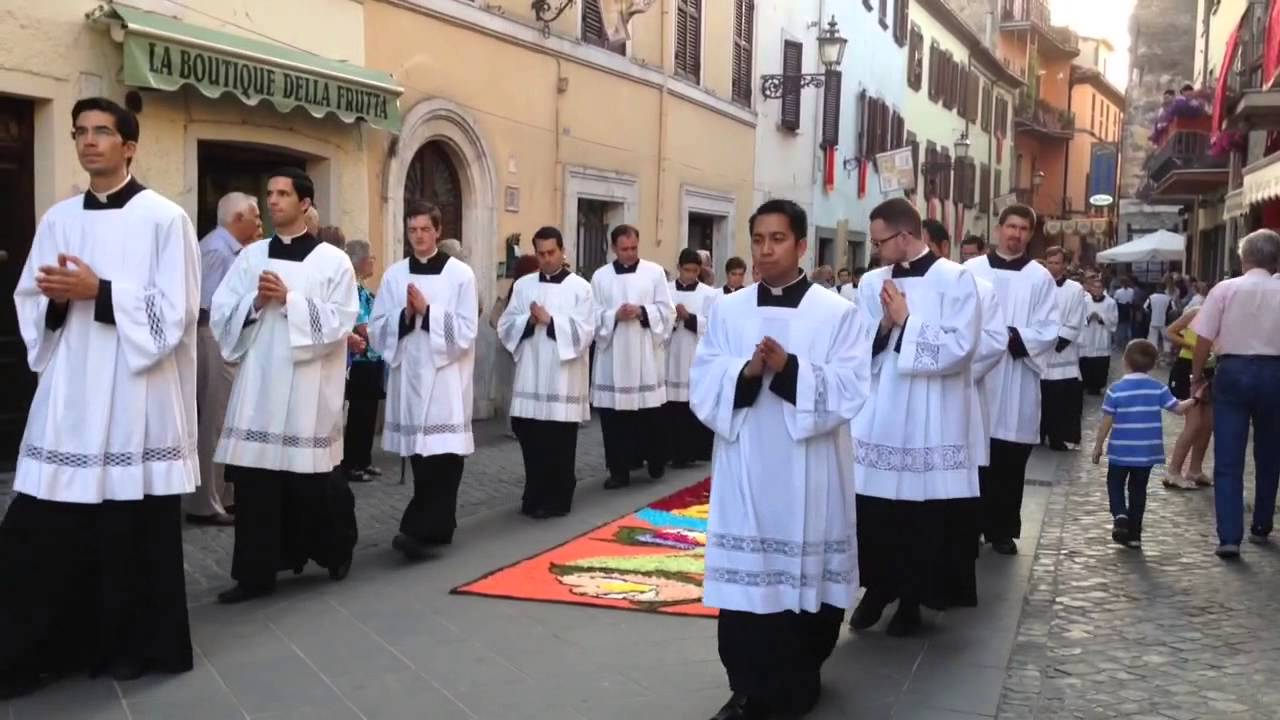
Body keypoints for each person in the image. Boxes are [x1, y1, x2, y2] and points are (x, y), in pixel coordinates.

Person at [0, 96, 198, 697]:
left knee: (129, 528)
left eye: (103, 132)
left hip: (136, 395)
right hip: (72, 394)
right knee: (43, 523)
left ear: (129, 147)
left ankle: (131, 645)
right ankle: (40, 648)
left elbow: (179, 314)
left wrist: (100, 291)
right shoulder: (59, 218)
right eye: (80, 132)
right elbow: (31, 300)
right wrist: (60, 299)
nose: (89, 141)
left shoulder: (166, 219)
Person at [691, 199, 870, 720]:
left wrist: (790, 368)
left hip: (809, 471)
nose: (766, 250)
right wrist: (745, 374)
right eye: (758, 240)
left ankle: (800, 677)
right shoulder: (728, 309)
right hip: (746, 465)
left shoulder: (837, 313)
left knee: (803, 583)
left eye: (777, 239)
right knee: (747, 590)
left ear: (800, 245)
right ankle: (745, 687)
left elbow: (851, 387)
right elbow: (704, 381)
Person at [210, 167, 359, 603]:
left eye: (282, 194)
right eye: (269, 193)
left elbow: (340, 321)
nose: (272, 201)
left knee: (312, 483)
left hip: (308, 388)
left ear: (305, 203)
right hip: (259, 386)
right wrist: (256, 301)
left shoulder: (333, 261)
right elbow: (222, 313)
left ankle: (335, 551)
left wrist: (290, 300)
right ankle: (255, 575)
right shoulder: (252, 257)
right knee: (256, 486)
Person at [849, 199, 985, 637]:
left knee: (921, 514)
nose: (874, 250)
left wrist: (907, 321)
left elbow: (962, 347)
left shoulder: (956, 279)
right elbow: (855, 343)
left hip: (932, 409)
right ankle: (877, 587)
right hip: (883, 405)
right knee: (874, 505)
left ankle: (911, 599)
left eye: (879, 241)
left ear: (904, 236)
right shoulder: (872, 282)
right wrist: (885, 328)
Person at [370, 202, 478, 557]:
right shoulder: (394, 275)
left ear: (437, 231)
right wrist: (405, 314)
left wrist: (428, 312)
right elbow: (378, 327)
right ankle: (438, 527)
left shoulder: (460, 274)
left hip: (446, 378)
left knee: (443, 457)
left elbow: (465, 331)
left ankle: (421, 529)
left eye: (424, 229)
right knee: (420, 454)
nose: (418, 236)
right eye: (412, 230)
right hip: (410, 376)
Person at [964, 205, 1059, 555]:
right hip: (977, 377)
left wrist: (1006, 337)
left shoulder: (1040, 278)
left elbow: (1049, 329)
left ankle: (1002, 529)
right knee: (974, 454)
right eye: (1011, 226)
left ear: (1030, 234)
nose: (1016, 234)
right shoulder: (970, 270)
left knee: (1009, 459)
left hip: (1016, 378)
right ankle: (970, 525)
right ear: (999, 227)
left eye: (1023, 229)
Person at [1190, 229, 1280, 558]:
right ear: (1275, 259)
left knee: (1229, 456)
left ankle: (1229, 536)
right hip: (1275, 373)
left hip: (1233, 370)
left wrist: (1196, 375)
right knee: (1270, 453)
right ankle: (1261, 524)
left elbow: (1202, 337)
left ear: (1243, 258)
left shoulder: (1225, 289)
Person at [496, 227, 595, 518]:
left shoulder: (581, 288)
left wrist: (550, 322)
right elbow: (505, 324)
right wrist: (528, 321)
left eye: (551, 253)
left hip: (562, 379)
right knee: (531, 438)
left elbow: (585, 331)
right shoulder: (524, 285)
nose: (546, 259)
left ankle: (558, 498)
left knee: (558, 443)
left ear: (563, 251)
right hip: (530, 375)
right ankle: (534, 492)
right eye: (540, 253)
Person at [188, 191, 261, 526]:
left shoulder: (230, 248)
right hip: (214, 339)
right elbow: (208, 304)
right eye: (255, 215)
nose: (261, 222)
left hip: (224, 340)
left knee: (227, 421)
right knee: (214, 423)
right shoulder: (217, 250)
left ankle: (224, 494)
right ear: (237, 219)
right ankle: (206, 502)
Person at [1092, 340, 1198, 549]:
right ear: (1152, 364)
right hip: (1146, 453)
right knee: (1138, 490)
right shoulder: (1158, 388)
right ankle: (1134, 536)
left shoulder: (1116, 390)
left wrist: (1098, 446)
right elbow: (1177, 408)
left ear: (1125, 362)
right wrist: (1194, 399)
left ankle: (1120, 515)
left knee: (1115, 484)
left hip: (1121, 452)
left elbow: (1107, 421)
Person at [590, 224, 673, 489]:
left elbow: (667, 311)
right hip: (612, 357)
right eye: (624, 249)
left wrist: (642, 312)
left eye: (634, 248)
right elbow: (590, 315)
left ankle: (656, 462)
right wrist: (613, 315)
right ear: (613, 248)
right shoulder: (600, 277)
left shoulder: (654, 272)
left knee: (650, 416)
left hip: (645, 355)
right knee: (614, 421)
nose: (629, 253)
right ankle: (618, 471)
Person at [665, 248, 717, 467]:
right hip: (670, 354)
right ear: (679, 268)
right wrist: (673, 318)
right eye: (686, 270)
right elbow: (658, 318)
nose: (690, 275)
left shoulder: (709, 293)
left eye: (695, 271)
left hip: (694, 354)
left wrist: (690, 318)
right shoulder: (666, 290)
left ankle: (690, 452)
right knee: (670, 408)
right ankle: (669, 451)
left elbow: (713, 325)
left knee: (690, 405)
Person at [339, 240, 384, 483]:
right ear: (361, 260)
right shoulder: (353, 290)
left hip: (373, 358)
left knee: (369, 413)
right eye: (371, 257)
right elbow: (362, 326)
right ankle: (352, 463)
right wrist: (384, 335)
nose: (373, 261)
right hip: (361, 360)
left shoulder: (363, 287)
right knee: (359, 413)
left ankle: (364, 459)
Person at [1039, 247, 1087, 451]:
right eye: (1049, 262)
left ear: (1065, 265)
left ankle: (1059, 437)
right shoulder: (1037, 285)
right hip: (1039, 351)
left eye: (1057, 263)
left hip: (1062, 354)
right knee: (1040, 400)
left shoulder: (1075, 289)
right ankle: (1038, 435)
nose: (1052, 267)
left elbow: (1076, 319)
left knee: (1061, 402)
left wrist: (1058, 341)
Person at [1163, 306, 1214, 490]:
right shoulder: (1197, 312)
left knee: (1207, 424)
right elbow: (1170, 331)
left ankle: (1195, 469)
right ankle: (1173, 471)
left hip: (1211, 368)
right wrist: (1194, 346)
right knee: (1194, 424)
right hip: (1188, 366)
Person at [1079, 274, 1119, 395]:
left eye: (1099, 287)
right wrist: (1088, 318)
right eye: (1094, 287)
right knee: (1087, 361)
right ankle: (1086, 384)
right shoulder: (1084, 301)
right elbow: (1079, 317)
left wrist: (1102, 318)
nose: (1097, 289)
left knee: (1100, 363)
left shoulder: (1110, 302)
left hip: (1102, 336)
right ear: (1090, 289)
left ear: (1103, 289)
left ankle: (1097, 386)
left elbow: (1114, 319)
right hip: (1088, 335)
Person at [1144, 283, 1172, 358]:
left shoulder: (1151, 297)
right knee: (1166, 339)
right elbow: (1173, 310)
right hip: (1165, 322)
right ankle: (1167, 355)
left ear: (1157, 288)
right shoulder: (1168, 298)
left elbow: (1145, 308)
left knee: (1152, 339)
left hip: (1153, 321)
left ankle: (1154, 356)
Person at [1112, 277, 1135, 349]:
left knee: (1120, 327)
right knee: (1128, 327)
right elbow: (1132, 300)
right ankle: (1127, 343)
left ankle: (1119, 343)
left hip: (1121, 309)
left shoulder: (1118, 292)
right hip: (1129, 309)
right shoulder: (1132, 291)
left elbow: (1115, 301)